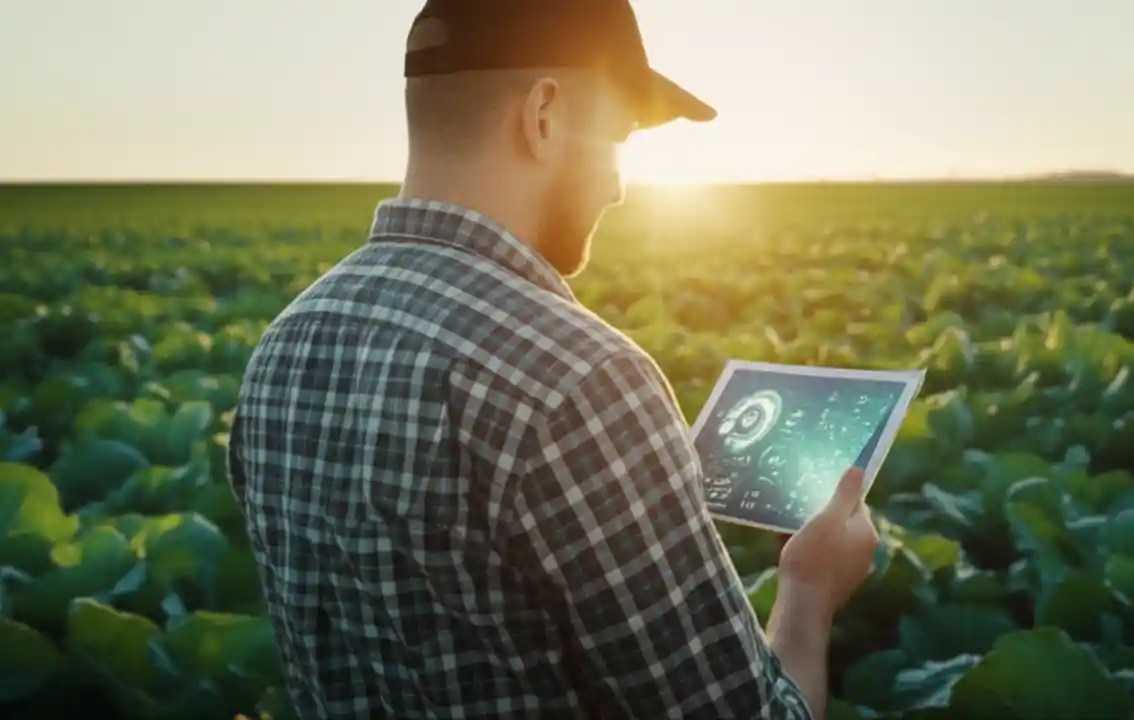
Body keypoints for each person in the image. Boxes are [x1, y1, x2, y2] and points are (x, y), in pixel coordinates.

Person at [226, 0, 879, 717]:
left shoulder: (286, 344)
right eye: (618, 139)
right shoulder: (582, 379)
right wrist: (809, 593)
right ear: (544, 115)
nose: (618, 185)